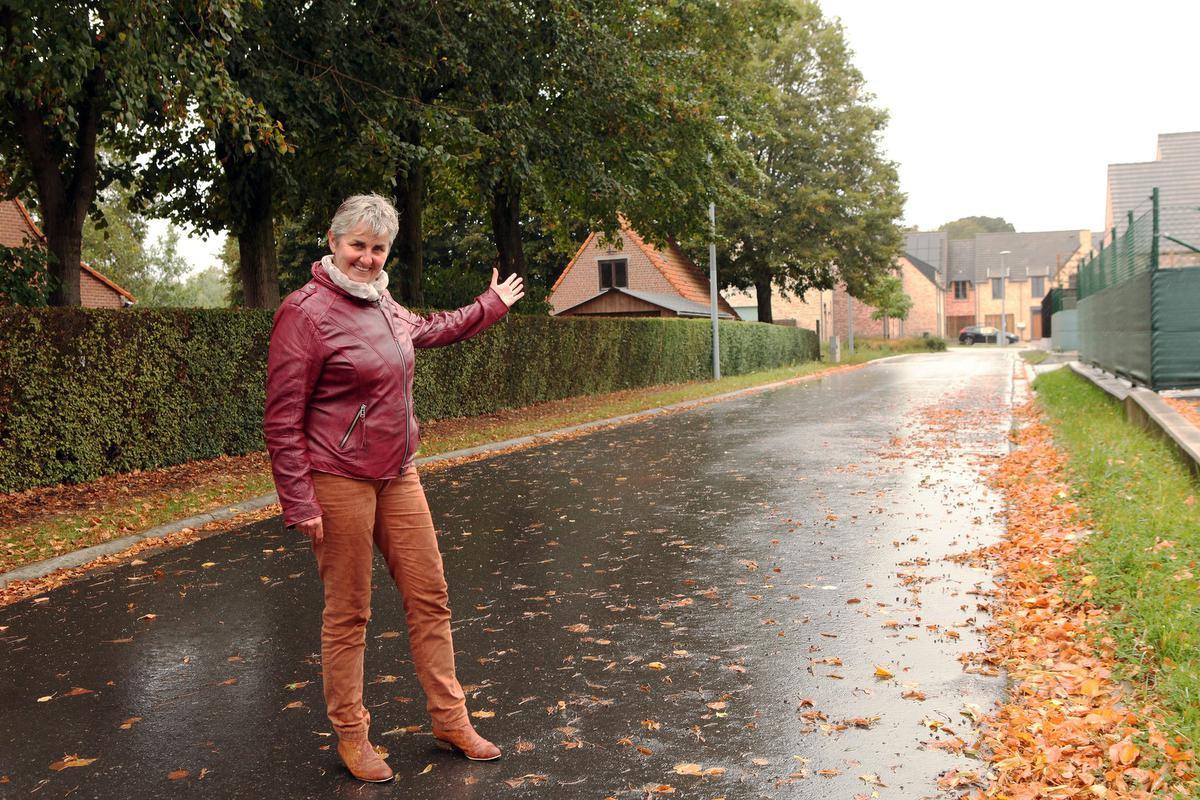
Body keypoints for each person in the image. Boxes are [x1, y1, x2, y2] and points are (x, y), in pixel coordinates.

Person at [263, 193, 524, 783]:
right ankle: (352, 735)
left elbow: (429, 330)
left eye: (378, 249)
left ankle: (450, 719)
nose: (367, 258)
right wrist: (298, 499)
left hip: (398, 472)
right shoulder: (304, 313)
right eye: (357, 245)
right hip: (337, 477)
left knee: (430, 595)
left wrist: (490, 304)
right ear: (332, 243)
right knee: (349, 612)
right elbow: (281, 416)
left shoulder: (382, 303)